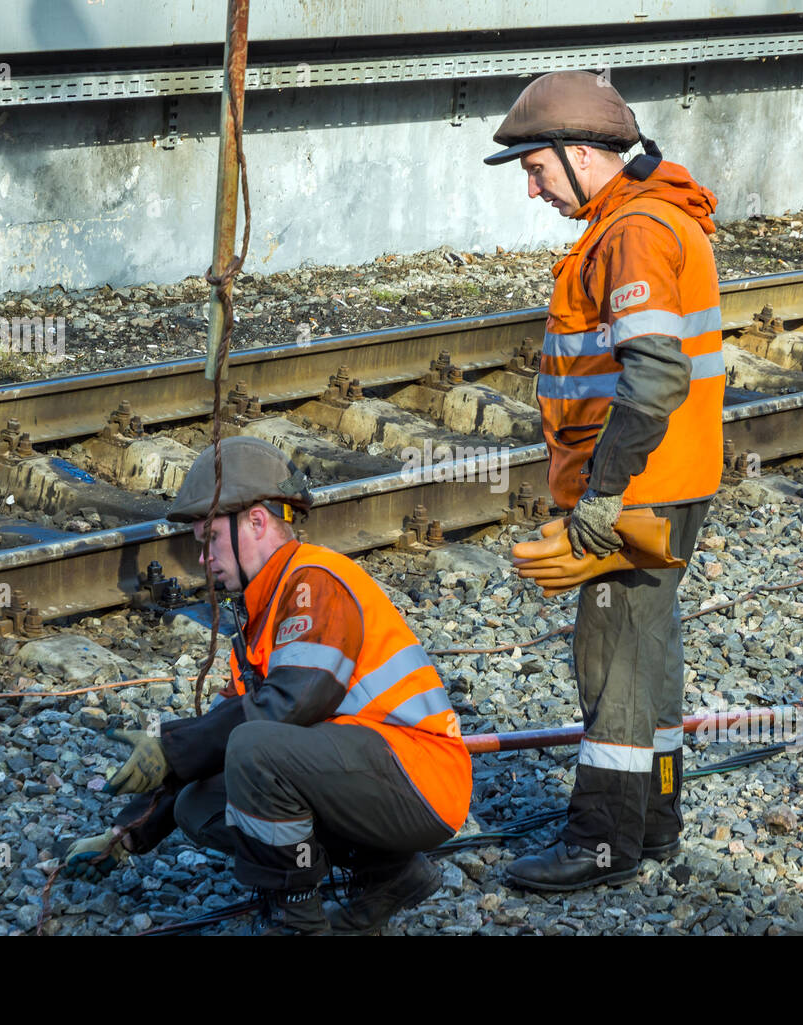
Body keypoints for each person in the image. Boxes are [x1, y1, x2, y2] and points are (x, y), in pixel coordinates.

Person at [63, 436, 473, 934]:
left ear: (256, 522)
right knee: (201, 803)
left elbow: (295, 701)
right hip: (371, 779)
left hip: (420, 780)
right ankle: (389, 875)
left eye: (210, 538)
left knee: (255, 748)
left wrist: (172, 748)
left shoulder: (314, 582)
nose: (202, 559)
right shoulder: (261, 617)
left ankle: (298, 921)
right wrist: (128, 835)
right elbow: (221, 737)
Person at [484, 71, 723, 890]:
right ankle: (655, 828)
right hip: (669, 481)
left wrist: (602, 498)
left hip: (638, 490)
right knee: (650, 662)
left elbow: (654, 373)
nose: (532, 187)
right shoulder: (647, 220)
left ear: (583, 154)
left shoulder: (634, 235)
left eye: (538, 168)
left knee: (612, 659)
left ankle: (600, 846)